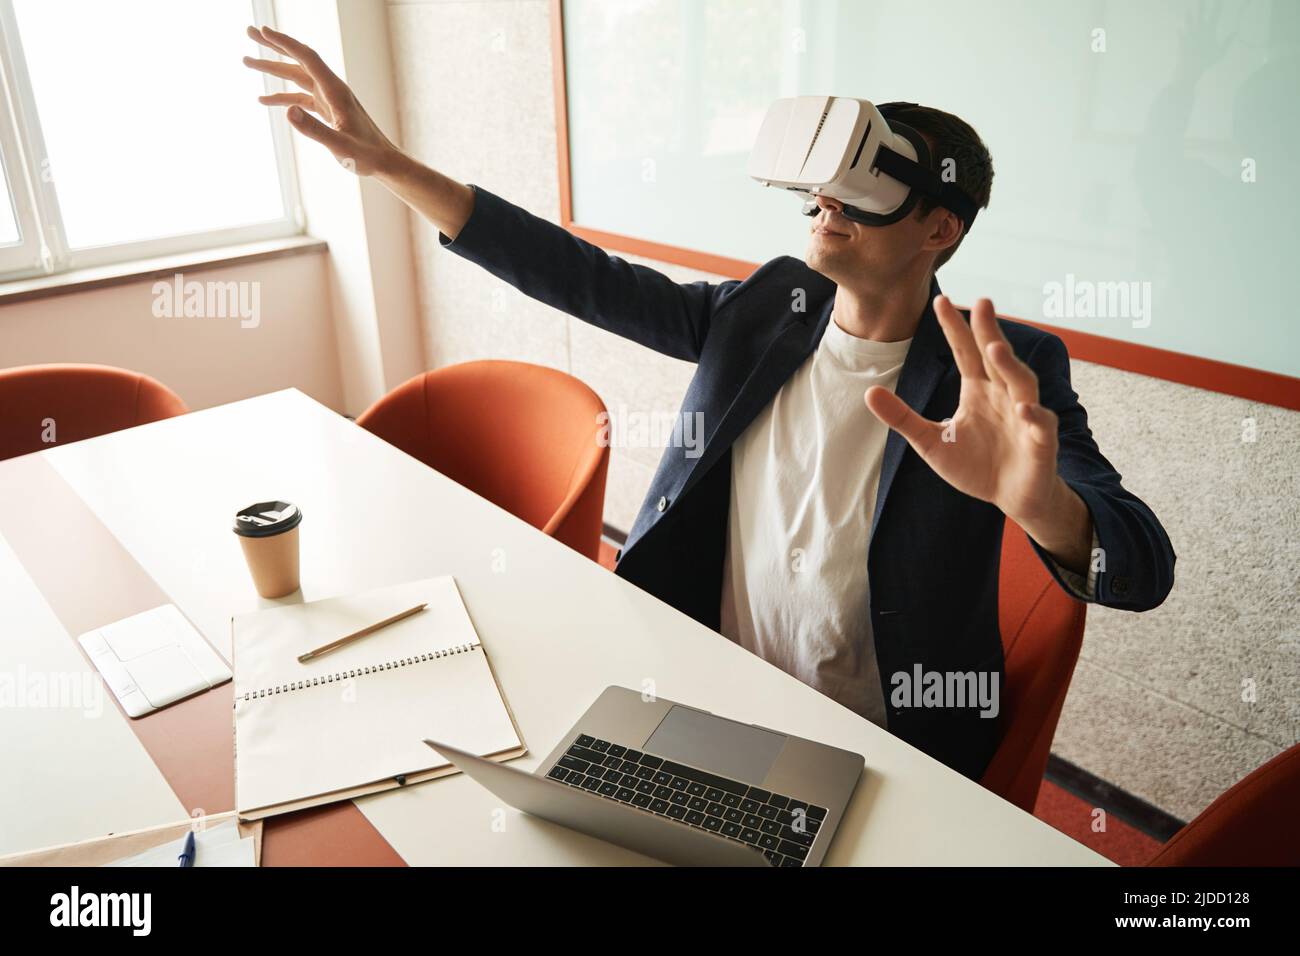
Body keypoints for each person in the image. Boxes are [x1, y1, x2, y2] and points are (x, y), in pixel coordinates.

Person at [244, 25, 1175, 780]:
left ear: (940, 226)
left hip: (889, 742)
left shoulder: (1001, 371)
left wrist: (1038, 504)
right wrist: (392, 166)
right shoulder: (772, 305)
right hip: (707, 686)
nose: (829, 200)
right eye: (828, 177)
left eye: (870, 180)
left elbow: (1142, 568)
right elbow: (583, 277)